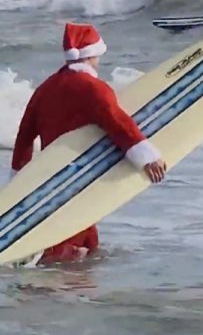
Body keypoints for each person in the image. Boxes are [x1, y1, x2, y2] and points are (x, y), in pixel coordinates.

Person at [11, 22, 168, 264]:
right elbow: (118, 123)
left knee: (69, 241)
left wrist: (18, 182)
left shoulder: (44, 89)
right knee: (76, 252)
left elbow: (24, 137)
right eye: (98, 56)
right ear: (90, 54)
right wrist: (147, 157)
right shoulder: (93, 89)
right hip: (81, 179)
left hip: (50, 179)